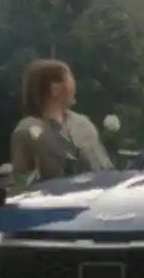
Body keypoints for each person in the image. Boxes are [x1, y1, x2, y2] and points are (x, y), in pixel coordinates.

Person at [9, 59, 114, 191]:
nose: (75, 87)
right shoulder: (27, 132)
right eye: (70, 80)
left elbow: (106, 168)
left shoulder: (83, 124)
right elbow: (21, 184)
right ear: (55, 89)